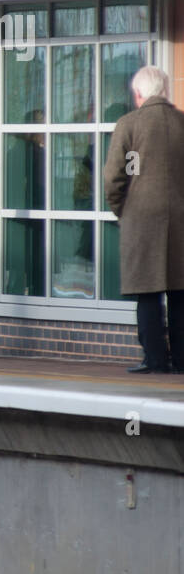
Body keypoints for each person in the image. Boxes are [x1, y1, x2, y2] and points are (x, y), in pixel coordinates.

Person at [103, 66, 184, 374]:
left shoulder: (130, 124)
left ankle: (155, 359)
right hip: (181, 220)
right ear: (164, 91)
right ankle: (181, 360)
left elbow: (116, 176)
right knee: (180, 292)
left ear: (139, 94)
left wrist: (122, 207)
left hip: (142, 219)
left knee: (148, 292)